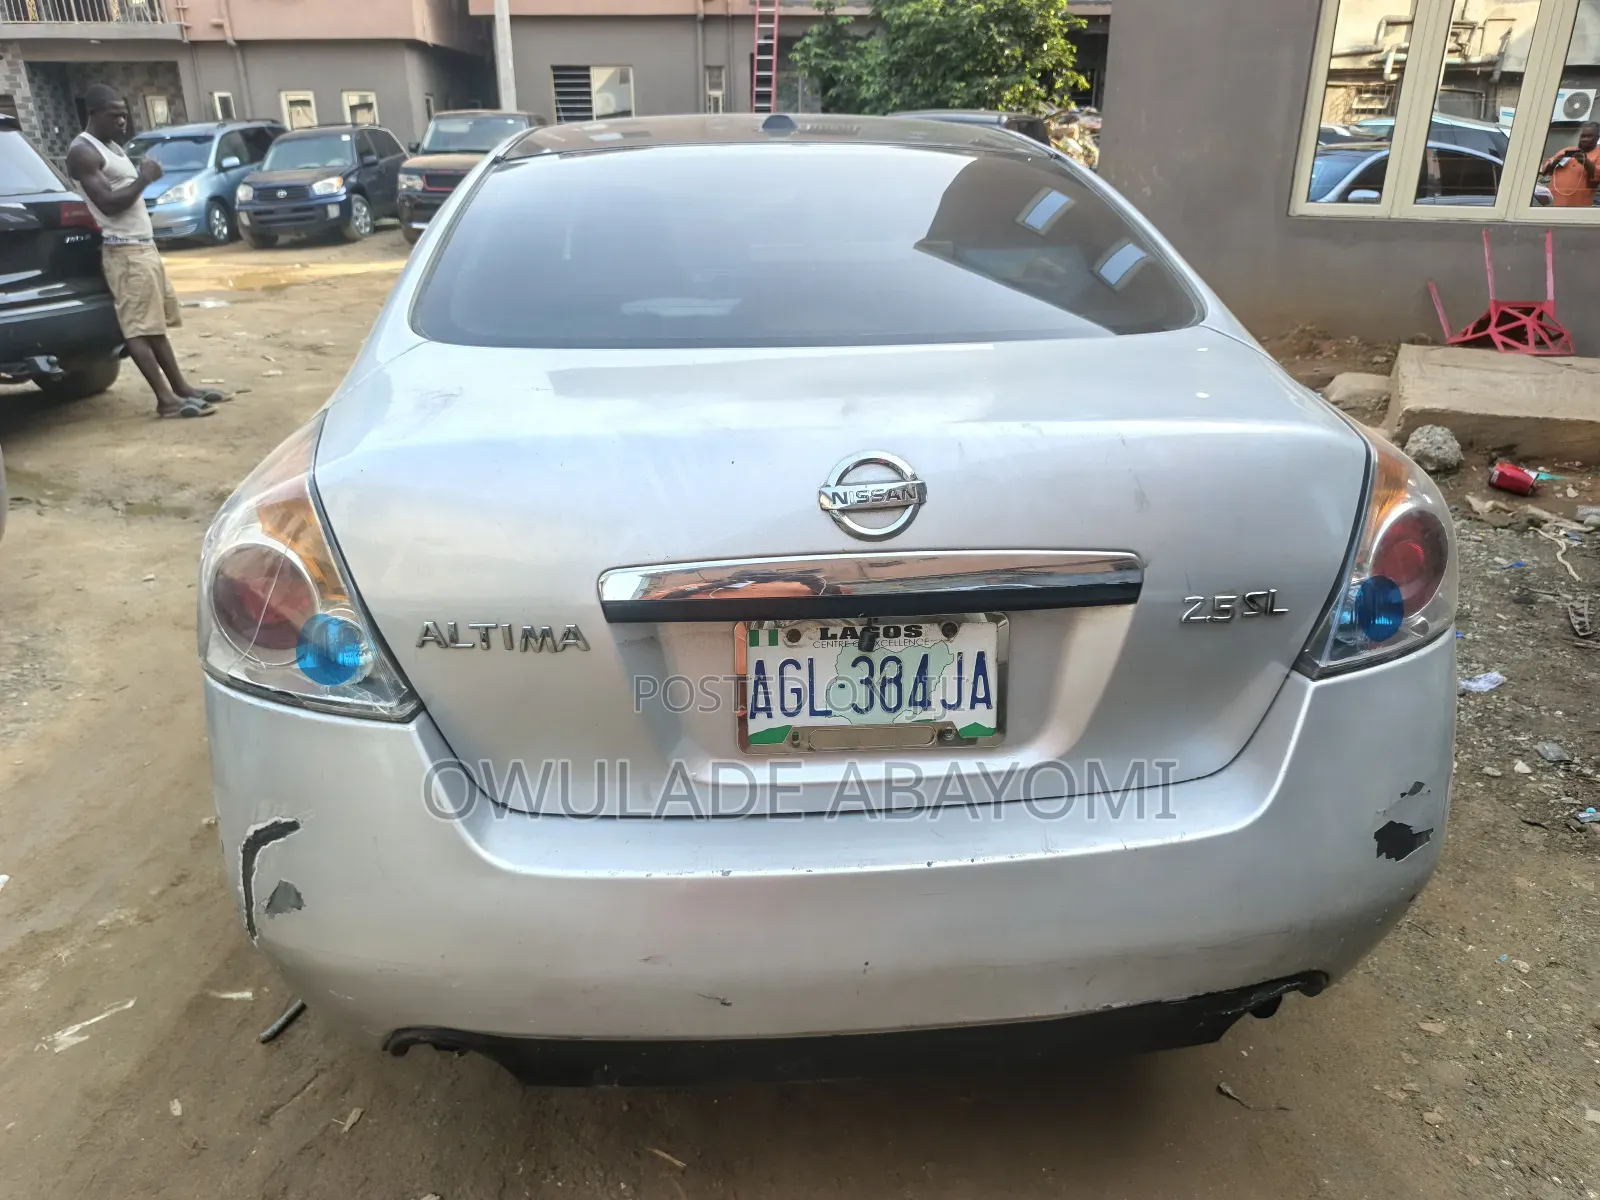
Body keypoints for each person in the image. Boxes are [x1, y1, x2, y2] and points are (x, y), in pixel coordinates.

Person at [65, 84, 227, 418]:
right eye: (114, 114)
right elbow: (108, 204)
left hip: (143, 248)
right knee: (138, 329)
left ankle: (180, 389)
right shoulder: (83, 151)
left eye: (124, 114)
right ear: (92, 113)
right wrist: (144, 178)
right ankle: (166, 400)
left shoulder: (112, 146)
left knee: (154, 326)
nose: (122, 121)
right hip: (124, 252)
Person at [1540, 121, 1600, 208]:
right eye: (1583, 136)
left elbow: (1597, 175)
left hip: (1577, 206)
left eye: (1589, 136)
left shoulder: (1598, 154)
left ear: (1597, 138)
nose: (1585, 139)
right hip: (1552, 204)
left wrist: (1585, 162)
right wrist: (1555, 161)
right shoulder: (1567, 150)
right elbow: (1545, 169)